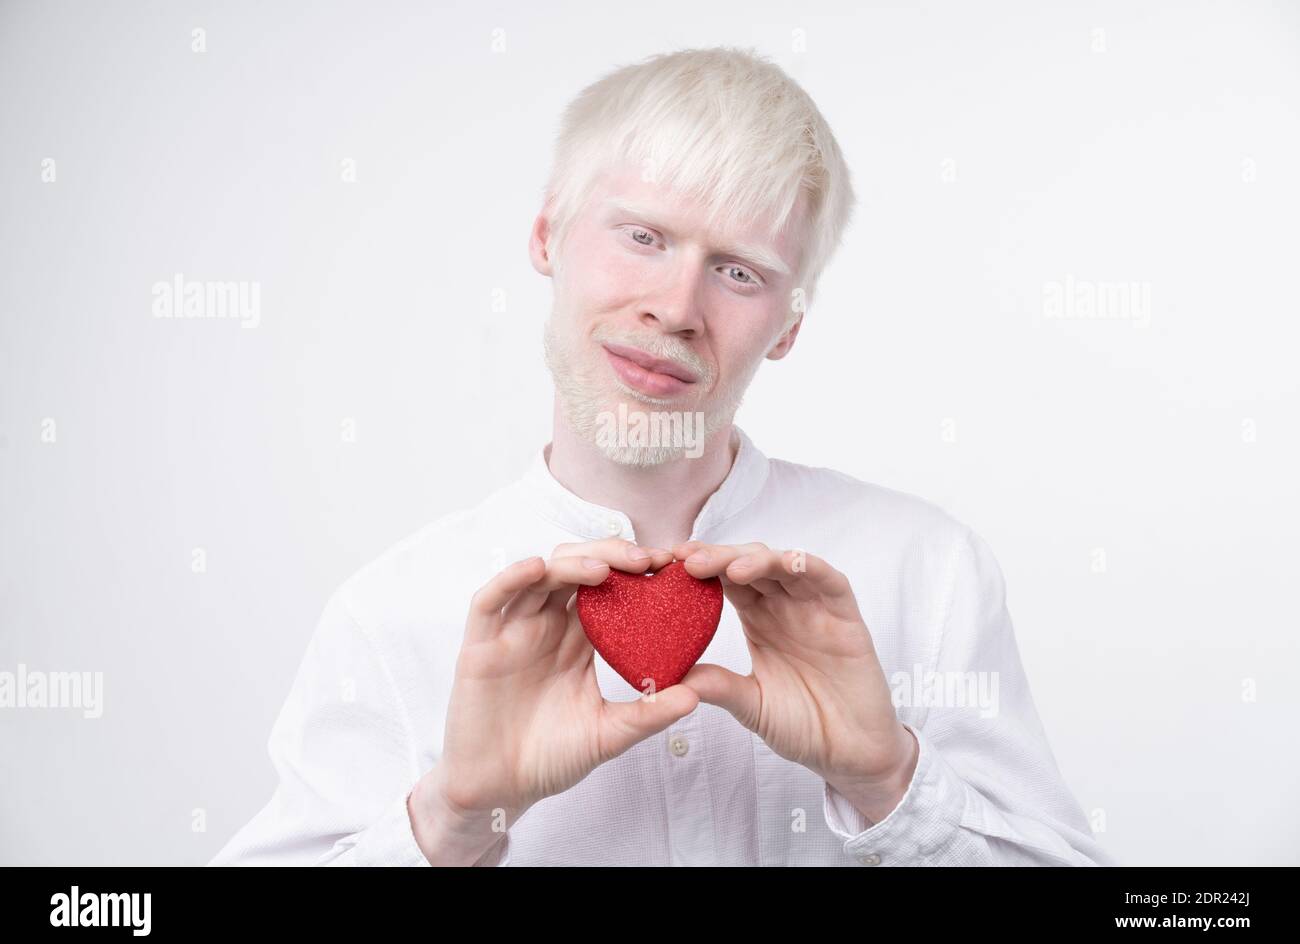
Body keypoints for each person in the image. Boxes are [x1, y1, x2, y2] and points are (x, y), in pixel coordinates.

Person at [210, 46, 1115, 866]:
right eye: (642, 236)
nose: (676, 306)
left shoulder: (930, 571)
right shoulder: (392, 615)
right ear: (545, 237)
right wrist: (453, 819)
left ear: (790, 324)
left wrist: (889, 783)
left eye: (739, 271)